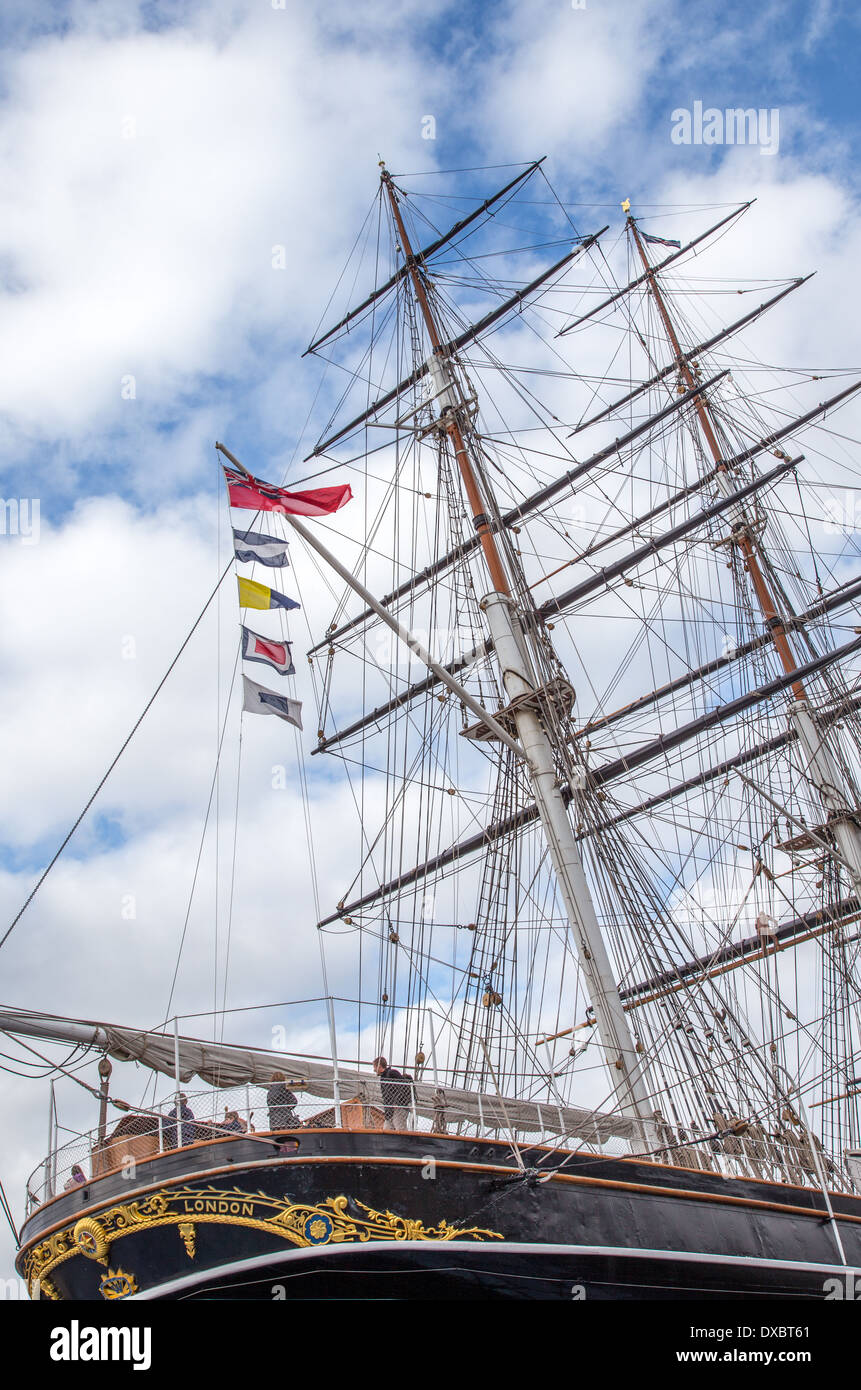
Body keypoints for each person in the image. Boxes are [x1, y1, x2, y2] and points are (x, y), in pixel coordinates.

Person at [373, 1056, 414, 1131]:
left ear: (379, 1066)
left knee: (400, 1127)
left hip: (398, 1106)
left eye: (375, 1067)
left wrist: (397, 1101)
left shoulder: (392, 1073)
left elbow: (405, 1087)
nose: (374, 1070)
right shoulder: (383, 1078)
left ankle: (405, 1141)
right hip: (389, 1109)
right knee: (386, 1129)